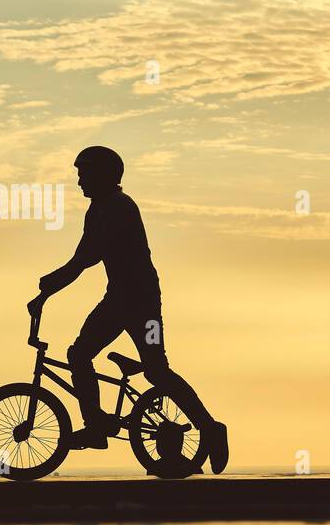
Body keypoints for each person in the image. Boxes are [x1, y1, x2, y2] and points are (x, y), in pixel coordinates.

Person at [26, 146, 228, 474]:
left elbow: (86, 259)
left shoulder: (120, 208)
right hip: (118, 299)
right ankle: (95, 427)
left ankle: (210, 427)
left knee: (156, 371)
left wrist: (48, 286)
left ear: (105, 175)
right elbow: (82, 257)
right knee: (80, 355)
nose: (79, 181)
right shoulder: (97, 210)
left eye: (84, 174)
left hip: (142, 301)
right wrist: (45, 294)